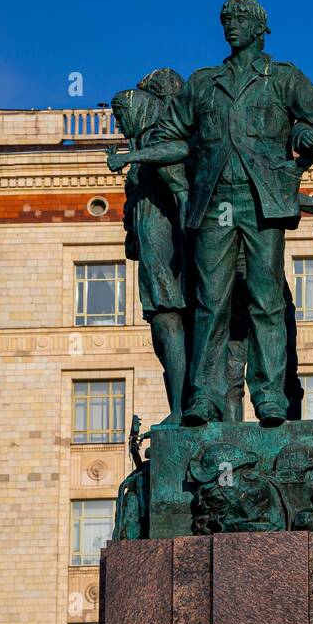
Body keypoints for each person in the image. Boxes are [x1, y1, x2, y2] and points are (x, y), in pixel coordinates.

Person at [154, 0, 313, 427]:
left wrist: (297, 159)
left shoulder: (282, 77)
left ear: (260, 28)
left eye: (239, 19)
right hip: (215, 202)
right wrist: (183, 191)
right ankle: (202, 395)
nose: (230, 26)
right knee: (210, 301)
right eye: (225, 20)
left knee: (265, 301)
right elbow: (169, 135)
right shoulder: (204, 82)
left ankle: (270, 395)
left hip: (263, 204)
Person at [106, 71, 190, 421]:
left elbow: (180, 170)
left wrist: (129, 159)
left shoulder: (158, 138)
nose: (120, 126)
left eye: (123, 117)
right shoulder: (144, 145)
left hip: (168, 248)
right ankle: (180, 406)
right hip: (153, 248)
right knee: (162, 326)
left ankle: (183, 407)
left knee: (169, 319)